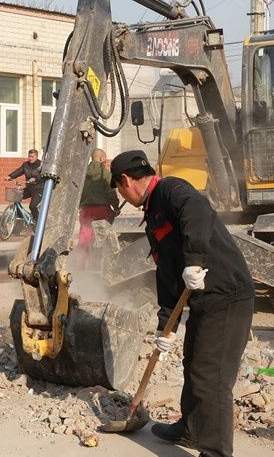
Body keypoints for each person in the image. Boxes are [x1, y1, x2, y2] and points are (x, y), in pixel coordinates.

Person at [109, 150, 254, 457]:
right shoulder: (152, 215)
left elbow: (197, 211)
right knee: (193, 364)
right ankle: (190, 428)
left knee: (210, 376)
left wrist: (195, 260)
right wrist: (166, 327)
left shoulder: (172, 190)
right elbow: (166, 274)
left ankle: (215, 451)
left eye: (119, 190)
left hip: (226, 295)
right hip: (204, 299)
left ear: (125, 181)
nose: (122, 195)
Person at [76, 148, 119, 267]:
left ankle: (81, 266)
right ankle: (101, 265)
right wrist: (116, 206)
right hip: (102, 209)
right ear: (101, 159)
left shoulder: (83, 173)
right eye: (105, 160)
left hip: (85, 210)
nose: (105, 163)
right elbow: (110, 191)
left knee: (85, 237)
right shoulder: (104, 172)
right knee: (103, 237)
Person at [6, 149, 43, 223]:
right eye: (29, 156)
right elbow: (19, 171)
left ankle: (37, 223)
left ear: (36, 156)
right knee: (15, 196)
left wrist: (35, 178)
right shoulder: (26, 164)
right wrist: (10, 176)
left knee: (32, 206)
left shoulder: (41, 165)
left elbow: (42, 175)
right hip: (29, 188)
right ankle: (20, 215)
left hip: (38, 188)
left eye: (32, 156)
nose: (30, 158)